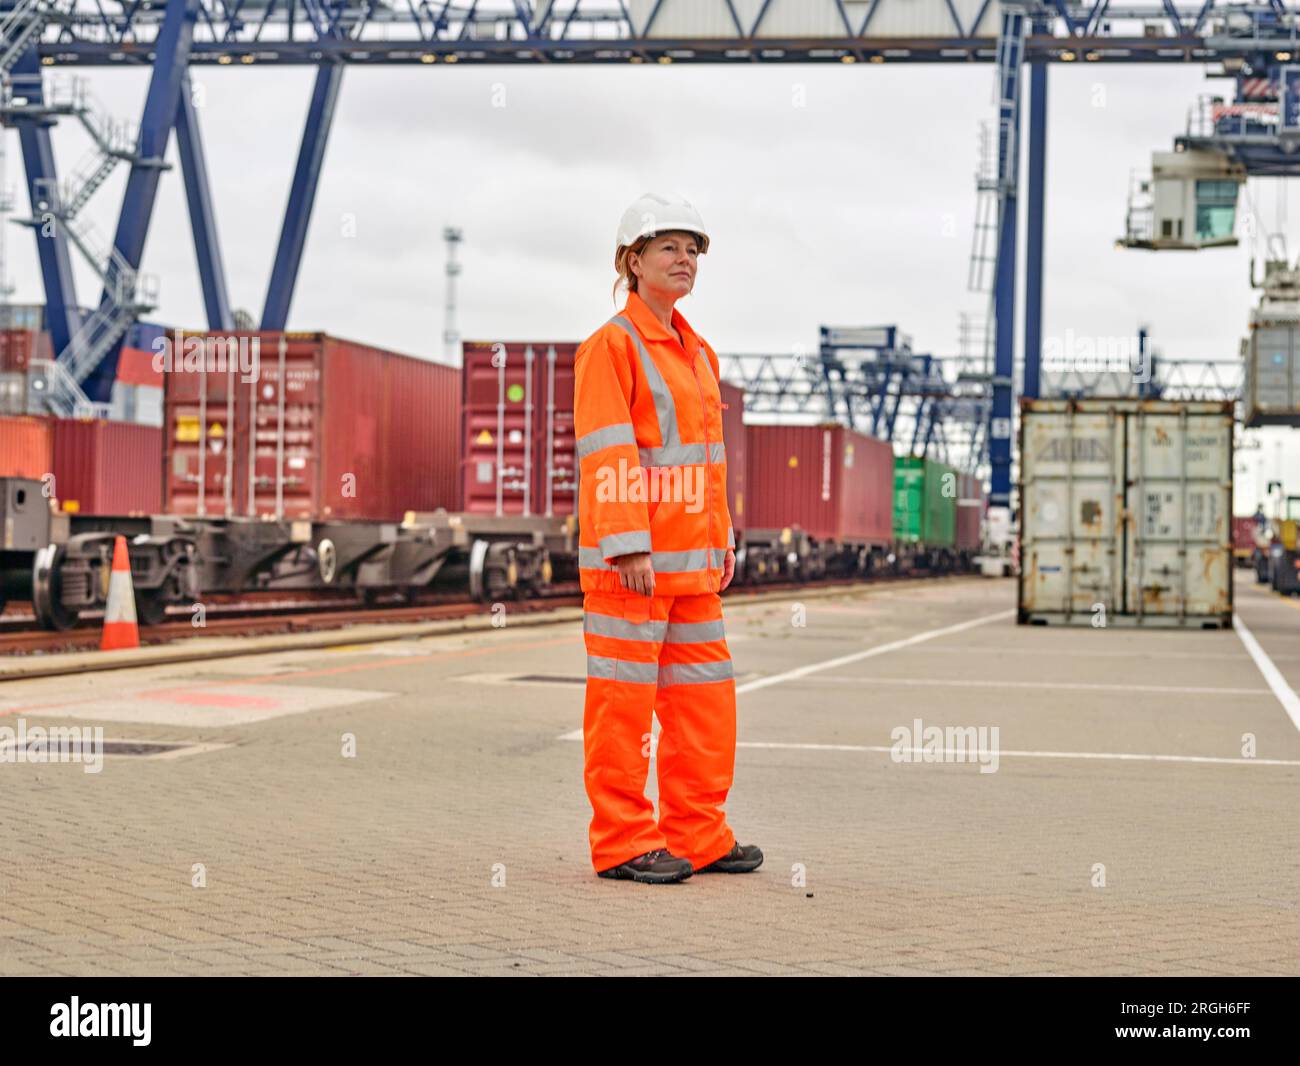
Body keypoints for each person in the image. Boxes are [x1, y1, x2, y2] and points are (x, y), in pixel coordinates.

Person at [573, 192, 763, 884]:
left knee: (704, 703)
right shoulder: (611, 347)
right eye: (668, 249)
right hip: (634, 568)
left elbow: (707, 459)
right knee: (623, 707)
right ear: (632, 262)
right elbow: (609, 451)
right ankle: (624, 841)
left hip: (691, 569)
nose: (684, 261)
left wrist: (723, 540)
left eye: (692, 250)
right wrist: (626, 545)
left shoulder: (697, 350)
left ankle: (699, 833)